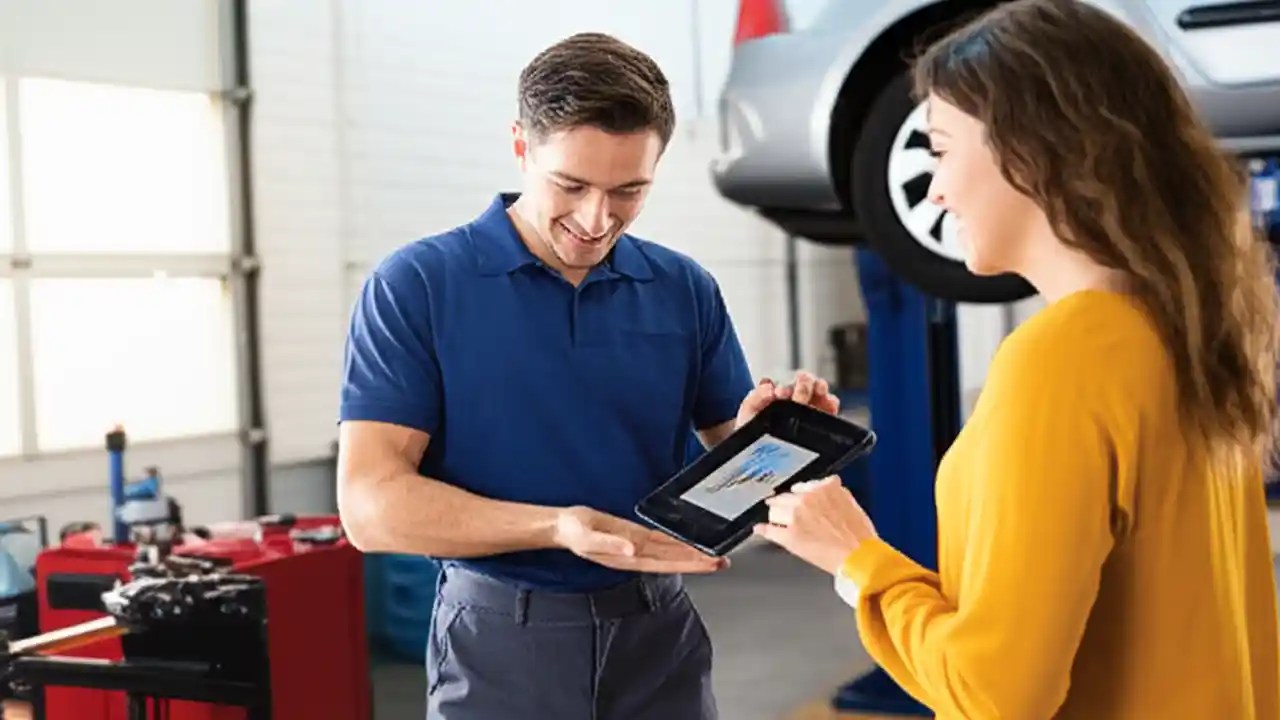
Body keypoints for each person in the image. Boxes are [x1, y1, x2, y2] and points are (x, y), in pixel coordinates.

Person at [755, 1, 1280, 718]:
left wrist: (858, 561)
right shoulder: (1183, 332)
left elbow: (997, 692)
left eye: (939, 148)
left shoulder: (1061, 362)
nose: (933, 188)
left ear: (1033, 149)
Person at [335, 32, 839, 720]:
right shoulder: (418, 285)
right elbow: (369, 507)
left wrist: (773, 445)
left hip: (660, 638)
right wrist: (558, 527)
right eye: (570, 185)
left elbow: (744, 495)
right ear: (521, 145)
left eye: (630, 190)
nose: (597, 219)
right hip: (499, 644)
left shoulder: (683, 288)